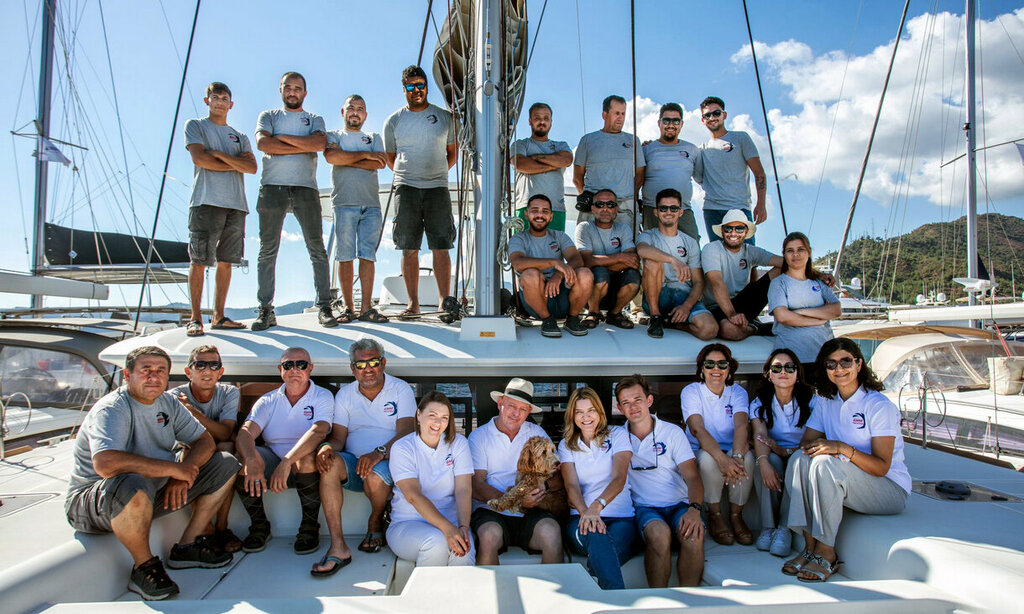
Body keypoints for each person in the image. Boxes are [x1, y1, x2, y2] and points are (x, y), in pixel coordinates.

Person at [64, 347, 240, 601]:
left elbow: (205, 441)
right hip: (97, 502)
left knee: (225, 463)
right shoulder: (112, 408)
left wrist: (180, 475)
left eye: (160, 371)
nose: (153, 377)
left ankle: (186, 546)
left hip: (150, 492)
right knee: (131, 481)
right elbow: (106, 464)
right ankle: (144, 566)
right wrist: (172, 469)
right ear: (127, 375)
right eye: (145, 370)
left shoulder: (168, 402)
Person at [783, 338, 910, 582]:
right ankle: (809, 546)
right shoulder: (826, 401)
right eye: (831, 364)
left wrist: (840, 448)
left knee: (824, 462)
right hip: (850, 480)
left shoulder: (878, 406)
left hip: (889, 490)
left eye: (845, 362)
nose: (839, 369)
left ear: (859, 364)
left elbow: (882, 467)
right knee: (800, 459)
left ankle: (827, 552)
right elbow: (806, 444)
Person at [313, 338, 415, 575]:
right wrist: (327, 447)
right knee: (328, 466)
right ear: (352, 368)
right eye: (360, 364)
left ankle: (375, 519)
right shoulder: (345, 395)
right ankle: (338, 546)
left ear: (383, 363)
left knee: (375, 476)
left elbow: (407, 433)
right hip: (354, 463)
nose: (367, 369)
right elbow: (339, 438)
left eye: (373, 362)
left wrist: (378, 454)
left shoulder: (400, 389)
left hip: (389, 463)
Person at [252, 72, 336, 330]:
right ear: (280, 90)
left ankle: (324, 306)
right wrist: (302, 145)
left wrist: (282, 140)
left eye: (297, 88)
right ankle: (266, 309)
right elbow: (263, 143)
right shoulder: (268, 116)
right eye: (288, 87)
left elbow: (320, 143)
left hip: (305, 189)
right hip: (272, 188)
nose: (292, 92)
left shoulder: (314, 119)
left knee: (317, 248)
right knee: (268, 250)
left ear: (304, 93)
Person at [234, 347, 333, 556]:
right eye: (288, 365)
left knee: (304, 459)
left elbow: (319, 431)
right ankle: (259, 526)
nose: (294, 370)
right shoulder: (268, 400)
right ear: (281, 369)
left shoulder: (322, 396)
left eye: (301, 365)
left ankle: (309, 527)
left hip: (304, 463)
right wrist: (251, 459)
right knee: (242, 462)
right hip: (273, 460)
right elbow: (245, 433)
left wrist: (287, 461)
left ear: (310, 368)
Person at [183, 82, 257, 336]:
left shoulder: (240, 136)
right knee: (199, 260)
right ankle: (195, 318)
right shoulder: (196, 126)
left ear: (231, 104)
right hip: (206, 201)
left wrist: (221, 156)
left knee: (227, 261)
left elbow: (251, 168)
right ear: (207, 101)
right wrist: (234, 162)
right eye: (215, 98)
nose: (220, 102)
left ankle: (219, 315)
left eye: (224, 98)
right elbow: (200, 159)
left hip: (236, 205)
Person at [383, 65, 457, 319]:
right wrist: (411, 175)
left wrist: (433, 174)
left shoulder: (444, 117)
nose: (417, 90)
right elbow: (391, 159)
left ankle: (443, 302)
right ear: (404, 89)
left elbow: (452, 153)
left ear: (427, 86)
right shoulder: (393, 121)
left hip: (437, 187)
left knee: (441, 245)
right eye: (411, 86)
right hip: (406, 188)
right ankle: (412, 304)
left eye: (421, 85)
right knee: (408, 247)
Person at [617, 374, 704, 587]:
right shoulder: (617, 437)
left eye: (637, 399)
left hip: (680, 504)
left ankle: (690, 600)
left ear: (649, 400)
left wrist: (694, 510)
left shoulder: (672, 432)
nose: (633, 407)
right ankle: (658, 601)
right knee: (659, 535)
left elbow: (692, 476)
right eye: (626, 403)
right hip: (645, 508)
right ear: (619, 408)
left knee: (693, 534)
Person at [469, 378, 563, 565]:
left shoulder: (537, 433)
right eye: (512, 406)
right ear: (500, 403)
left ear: (529, 412)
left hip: (532, 511)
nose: (516, 413)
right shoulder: (479, 436)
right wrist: (517, 499)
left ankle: (549, 593)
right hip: (491, 509)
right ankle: (487, 594)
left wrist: (543, 486)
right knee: (488, 537)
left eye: (522, 409)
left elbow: (559, 477)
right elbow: (476, 485)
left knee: (552, 533)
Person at [385, 391, 475, 567]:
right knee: (436, 543)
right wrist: (448, 530)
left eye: (444, 417)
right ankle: (426, 595)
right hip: (408, 523)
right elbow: (413, 496)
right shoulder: (402, 447)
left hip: (453, 522)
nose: (438, 423)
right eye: (432, 415)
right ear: (418, 415)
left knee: (464, 551)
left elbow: (463, 490)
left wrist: (463, 527)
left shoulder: (459, 443)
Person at [558, 387, 636, 590]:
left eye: (591, 410)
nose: (586, 417)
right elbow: (571, 485)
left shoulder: (617, 435)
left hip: (622, 518)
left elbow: (619, 478)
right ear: (572, 416)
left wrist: (597, 507)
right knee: (596, 534)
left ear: (600, 412)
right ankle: (618, 600)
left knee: (606, 549)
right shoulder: (566, 445)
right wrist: (586, 514)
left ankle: (598, 588)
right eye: (579, 412)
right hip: (580, 519)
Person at [169, 345, 242, 553]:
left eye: (213, 365)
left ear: (221, 371)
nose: (207, 370)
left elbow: (225, 433)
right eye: (200, 365)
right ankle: (206, 529)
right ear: (188, 371)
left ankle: (221, 527)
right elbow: (183, 440)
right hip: (184, 454)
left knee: (227, 450)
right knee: (189, 453)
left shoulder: (229, 392)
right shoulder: (174, 395)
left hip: (216, 450)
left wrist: (191, 410)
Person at [681, 343, 754, 546]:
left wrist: (737, 457)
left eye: (722, 364)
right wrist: (722, 459)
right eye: (710, 364)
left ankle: (736, 515)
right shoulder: (691, 391)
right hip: (700, 448)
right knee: (707, 459)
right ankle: (714, 514)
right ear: (702, 368)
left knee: (747, 458)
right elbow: (697, 429)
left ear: (729, 369)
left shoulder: (738, 392)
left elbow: (741, 425)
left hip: (731, 447)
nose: (716, 369)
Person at [325, 94, 389, 323]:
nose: (355, 112)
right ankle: (349, 308)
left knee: (367, 255)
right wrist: (364, 155)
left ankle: (365, 308)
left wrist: (347, 158)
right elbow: (332, 157)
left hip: (371, 204)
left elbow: (380, 162)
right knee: (344, 256)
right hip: (343, 203)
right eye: (351, 108)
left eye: (360, 108)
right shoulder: (334, 136)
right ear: (343, 112)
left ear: (365, 115)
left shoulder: (373, 137)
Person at [749, 349, 815, 557]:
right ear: (769, 374)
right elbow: (760, 436)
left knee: (796, 460)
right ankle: (769, 527)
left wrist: (783, 450)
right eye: (776, 368)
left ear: (797, 372)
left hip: (803, 455)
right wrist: (764, 461)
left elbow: (809, 443)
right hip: (776, 451)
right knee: (767, 463)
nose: (783, 372)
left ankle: (785, 528)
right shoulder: (760, 403)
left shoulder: (813, 401)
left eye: (789, 367)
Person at [508, 194, 594, 338]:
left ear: (551, 216)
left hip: (561, 294)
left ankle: (572, 319)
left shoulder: (559, 236)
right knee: (530, 274)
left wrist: (558, 275)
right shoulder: (518, 238)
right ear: (526, 214)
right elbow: (518, 263)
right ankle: (547, 320)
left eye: (545, 211)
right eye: (535, 210)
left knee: (585, 273)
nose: (540, 215)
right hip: (535, 301)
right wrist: (554, 262)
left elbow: (577, 260)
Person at [637, 189, 718, 340]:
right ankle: (655, 318)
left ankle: (671, 324)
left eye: (673, 208)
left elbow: (699, 282)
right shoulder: (648, 235)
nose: (668, 212)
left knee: (709, 330)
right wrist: (673, 260)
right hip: (657, 295)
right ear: (656, 212)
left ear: (680, 212)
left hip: (683, 295)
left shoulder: (690, 242)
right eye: (663, 208)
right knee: (651, 261)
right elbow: (642, 249)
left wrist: (686, 307)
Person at [700, 209, 779, 341]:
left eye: (739, 228)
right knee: (729, 331)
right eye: (728, 229)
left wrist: (818, 275)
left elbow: (788, 262)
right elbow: (717, 283)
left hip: (744, 301)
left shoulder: (751, 251)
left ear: (746, 232)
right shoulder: (711, 249)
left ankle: (789, 312)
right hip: (717, 306)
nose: (733, 233)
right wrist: (732, 314)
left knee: (781, 269)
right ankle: (757, 328)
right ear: (722, 231)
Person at [697, 96, 766, 242]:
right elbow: (699, 178)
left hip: (740, 208)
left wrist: (761, 204)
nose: (712, 117)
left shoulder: (741, 138)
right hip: (712, 210)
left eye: (716, 113)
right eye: (707, 115)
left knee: (747, 258)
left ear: (724, 115)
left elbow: (759, 173)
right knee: (718, 258)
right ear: (703, 120)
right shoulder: (701, 150)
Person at [573, 95, 646, 231]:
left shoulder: (634, 141)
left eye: (623, 114)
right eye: (616, 113)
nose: (620, 118)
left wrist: (631, 196)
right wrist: (592, 202)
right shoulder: (588, 140)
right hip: (594, 211)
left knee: (628, 250)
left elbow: (640, 174)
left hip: (625, 210)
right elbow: (577, 177)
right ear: (604, 114)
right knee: (587, 250)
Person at [768, 232, 841, 364]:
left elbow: (836, 310)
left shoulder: (819, 282)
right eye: (790, 250)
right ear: (784, 254)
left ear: (809, 252)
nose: (796, 254)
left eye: (800, 249)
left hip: (825, 357)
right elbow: (783, 316)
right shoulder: (778, 283)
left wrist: (801, 312)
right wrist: (818, 320)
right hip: (792, 360)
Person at [573, 188, 640, 329]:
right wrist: (620, 257)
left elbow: (632, 261)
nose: (605, 208)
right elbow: (586, 261)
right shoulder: (583, 228)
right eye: (599, 204)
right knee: (600, 273)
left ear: (616, 209)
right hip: (591, 291)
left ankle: (615, 314)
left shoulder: (624, 228)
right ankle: (593, 312)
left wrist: (598, 262)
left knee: (633, 276)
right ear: (592, 208)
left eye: (610, 205)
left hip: (617, 291)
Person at [640, 103, 702, 241]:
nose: (671, 125)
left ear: (682, 124)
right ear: (659, 122)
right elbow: (637, 180)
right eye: (666, 120)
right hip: (652, 210)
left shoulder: (692, 150)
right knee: (652, 251)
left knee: (693, 247)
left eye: (676, 121)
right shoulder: (646, 149)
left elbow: (701, 179)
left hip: (683, 210)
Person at [511, 102, 573, 232]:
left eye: (546, 118)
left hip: (555, 209)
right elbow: (521, 164)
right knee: (521, 250)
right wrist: (553, 165)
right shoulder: (521, 145)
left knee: (554, 250)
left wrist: (536, 158)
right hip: (525, 208)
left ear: (551, 121)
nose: (542, 122)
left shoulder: (561, 145)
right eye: (537, 118)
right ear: (530, 121)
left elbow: (567, 160)